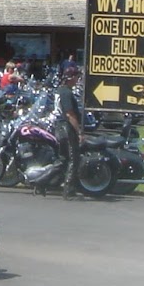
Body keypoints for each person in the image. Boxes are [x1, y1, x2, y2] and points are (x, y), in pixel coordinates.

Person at [56, 61, 84, 193]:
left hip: (59, 127)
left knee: (64, 158)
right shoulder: (66, 93)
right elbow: (70, 114)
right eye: (76, 77)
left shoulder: (60, 90)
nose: (77, 80)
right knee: (73, 158)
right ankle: (69, 188)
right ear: (70, 78)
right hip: (66, 128)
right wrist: (79, 132)